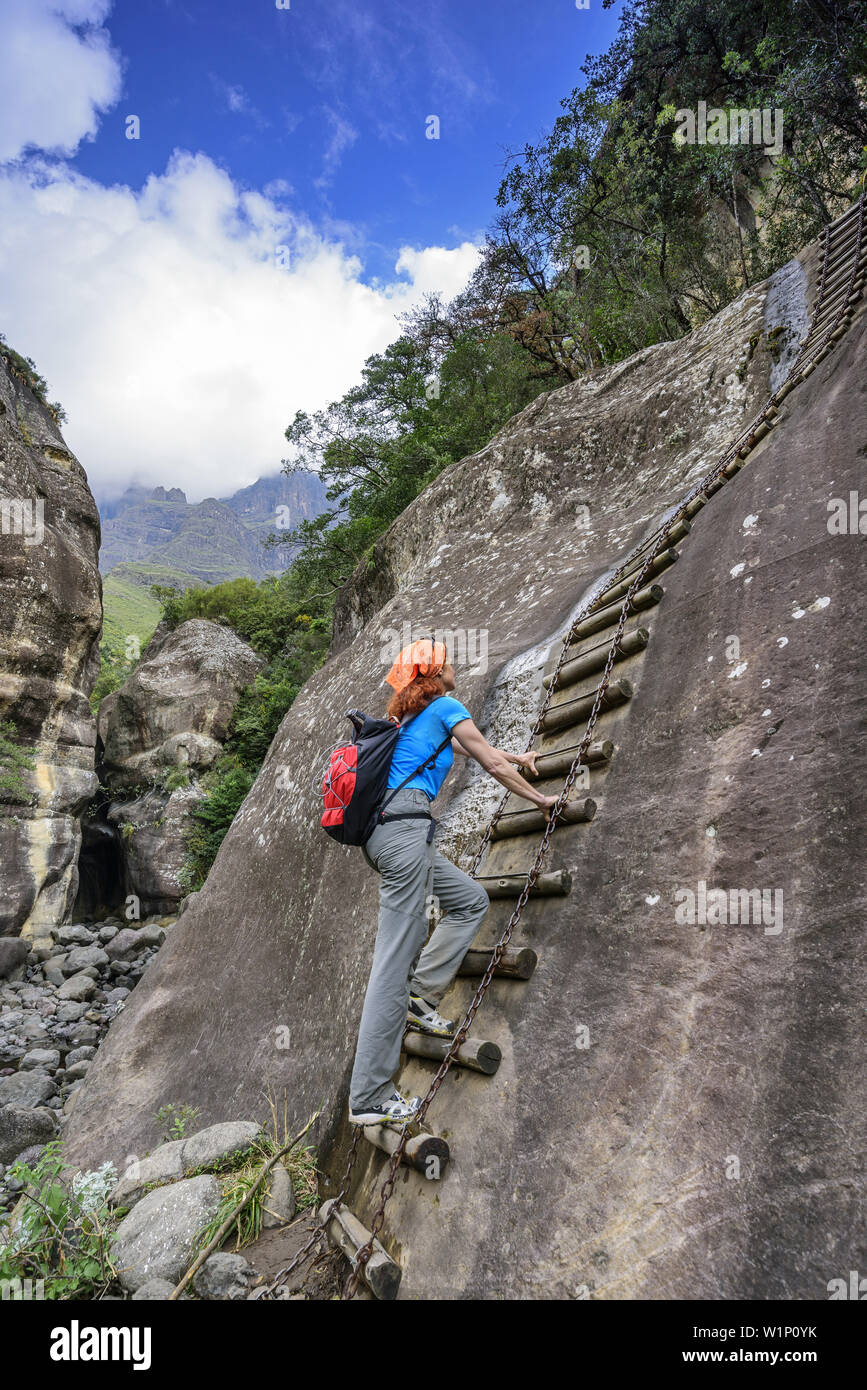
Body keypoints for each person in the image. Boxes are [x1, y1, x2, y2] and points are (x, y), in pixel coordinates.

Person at [348, 637, 558, 1126]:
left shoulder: (413, 719)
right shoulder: (445, 705)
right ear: (435, 673)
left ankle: (421, 998)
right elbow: (486, 760)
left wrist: (516, 757)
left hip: (389, 837)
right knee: (391, 963)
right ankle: (370, 1095)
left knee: (468, 901)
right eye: (447, 663)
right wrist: (539, 799)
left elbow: (473, 745)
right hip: (404, 837)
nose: (454, 668)